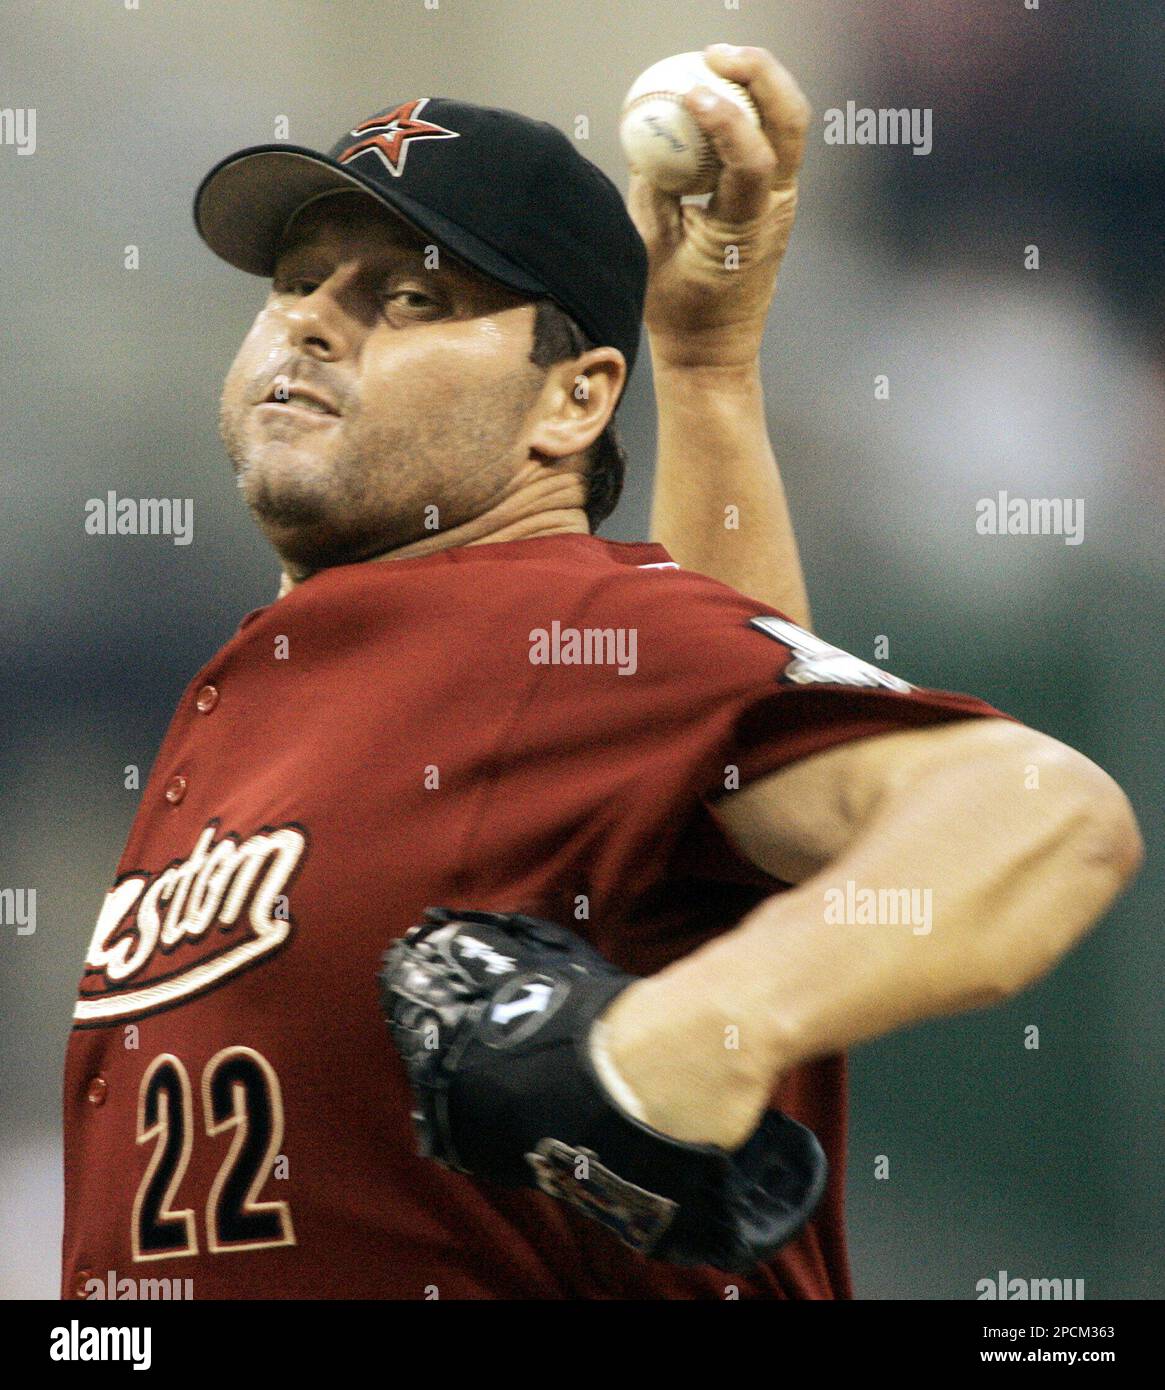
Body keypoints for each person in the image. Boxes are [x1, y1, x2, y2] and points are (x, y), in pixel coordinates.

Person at [61, 50, 1142, 1300]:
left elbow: (1042, 815)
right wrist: (708, 373)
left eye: (409, 297)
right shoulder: (266, 687)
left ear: (572, 404)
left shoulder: (538, 621)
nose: (310, 317)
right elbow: (713, 773)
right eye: (298, 281)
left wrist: (707, 1026)